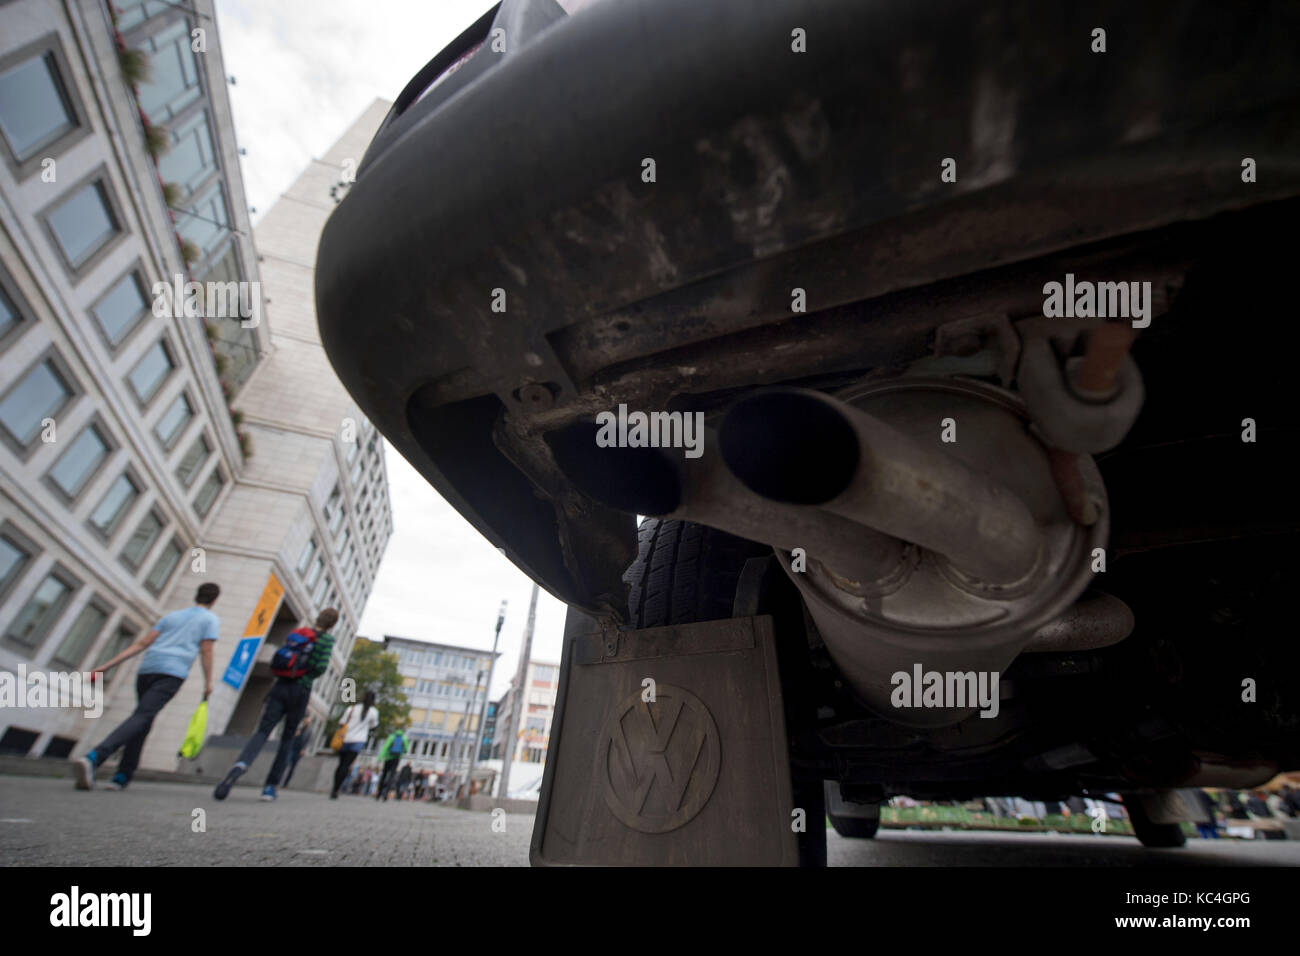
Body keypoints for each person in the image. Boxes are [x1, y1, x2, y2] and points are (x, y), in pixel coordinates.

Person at [74, 583, 220, 791]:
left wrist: (105, 667)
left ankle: (123, 776)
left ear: (197, 595)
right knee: (143, 716)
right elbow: (206, 651)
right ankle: (95, 756)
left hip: (147, 669)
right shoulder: (210, 619)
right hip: (172, 673)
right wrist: (208, 683)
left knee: (144, 718)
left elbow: (142, 644)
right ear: (214, 600)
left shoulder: (172, 617)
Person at [213, 609, 338, 801]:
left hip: (279, 687)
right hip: (300, 690)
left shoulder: (300, 633)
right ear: (333, 625)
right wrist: (305, 675)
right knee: (287, 738)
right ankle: (270, 787)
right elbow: (320, 667)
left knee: (262, 731)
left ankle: (241, 764)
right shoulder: (326, 641)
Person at [331, 691, 380, 799]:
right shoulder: (373, 712)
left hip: (345, 739)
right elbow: (374, 726)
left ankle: (334, 788)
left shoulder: (352, 709)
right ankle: (337, 789)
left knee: (341, 764)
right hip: (358, 740)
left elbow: (342, 722)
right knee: (346, 765)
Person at [375, 728, 408, 801]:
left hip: (388, 758)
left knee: (384, 775)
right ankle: (386, 795)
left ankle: (378, 794)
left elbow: (385, 747)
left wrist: (380, 757)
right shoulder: (404, 738)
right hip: (396, 758)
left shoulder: (391, 736)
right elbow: (406, 749)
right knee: (391, 776)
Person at [281, 715, 313, 788]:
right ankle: (278, 780)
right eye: (306, 719)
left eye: (308, 719)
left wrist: (304, 749)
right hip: (292, 747)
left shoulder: (309, 730)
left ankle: (285, 783)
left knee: (293, 767)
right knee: (285, 763)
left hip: (299, 750)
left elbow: (309, 741)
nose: (307, 720)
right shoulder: (299, 727)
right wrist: (295, 734)